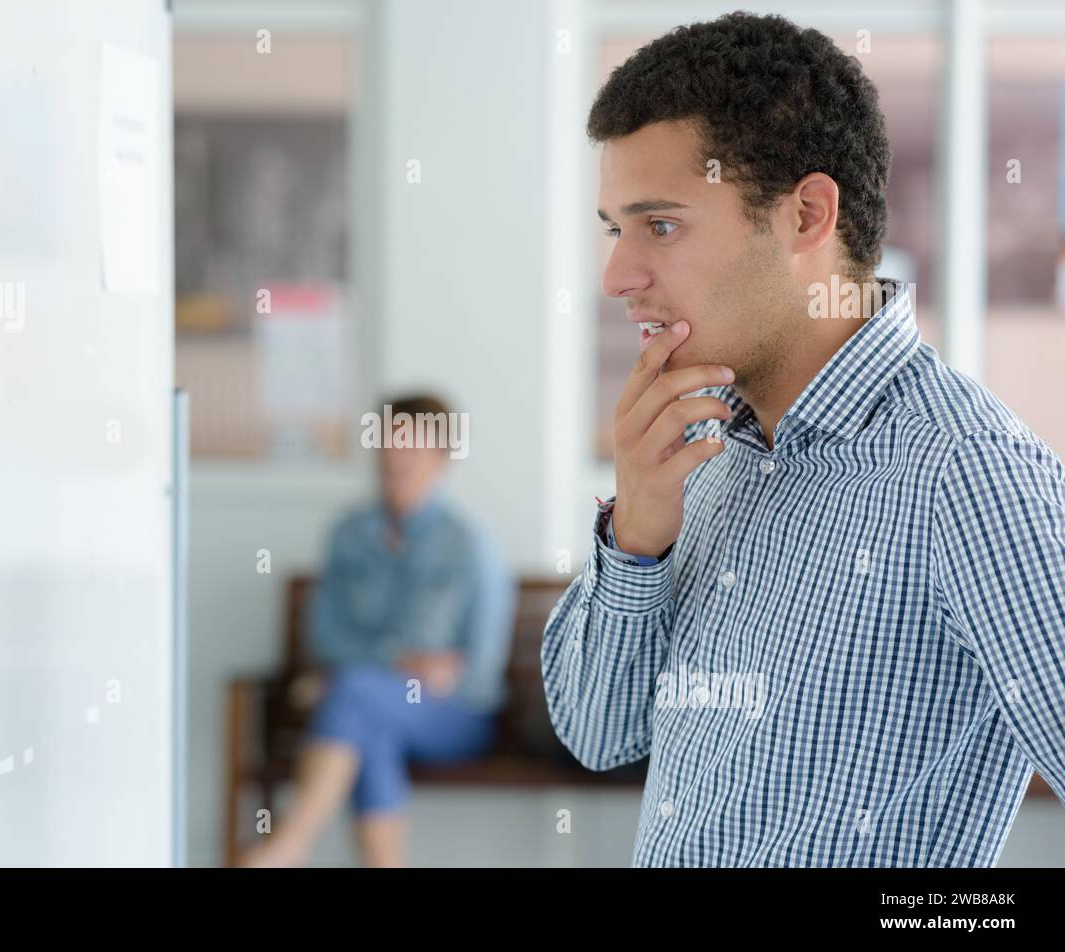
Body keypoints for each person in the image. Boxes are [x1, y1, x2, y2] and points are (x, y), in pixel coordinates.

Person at [543, 11, 1065, 867]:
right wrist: (636, 537)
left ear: (807, 216)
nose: (616, 276)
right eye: (615, 228)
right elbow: (599, 734)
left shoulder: (963, 474)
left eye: (660, 225)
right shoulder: (705, 453)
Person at [241, 394, 514, 867]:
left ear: (442, 455)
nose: (398, 456)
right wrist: (397, 662)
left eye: (412, 445)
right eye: (390, 443)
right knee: (370, 729)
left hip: (454, 717)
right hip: (367, 706)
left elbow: (481, 673)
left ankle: (286, 848)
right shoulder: (349, 534)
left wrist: (427, 675)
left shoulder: (469, 542)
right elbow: (325, 639)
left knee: (355, 693)